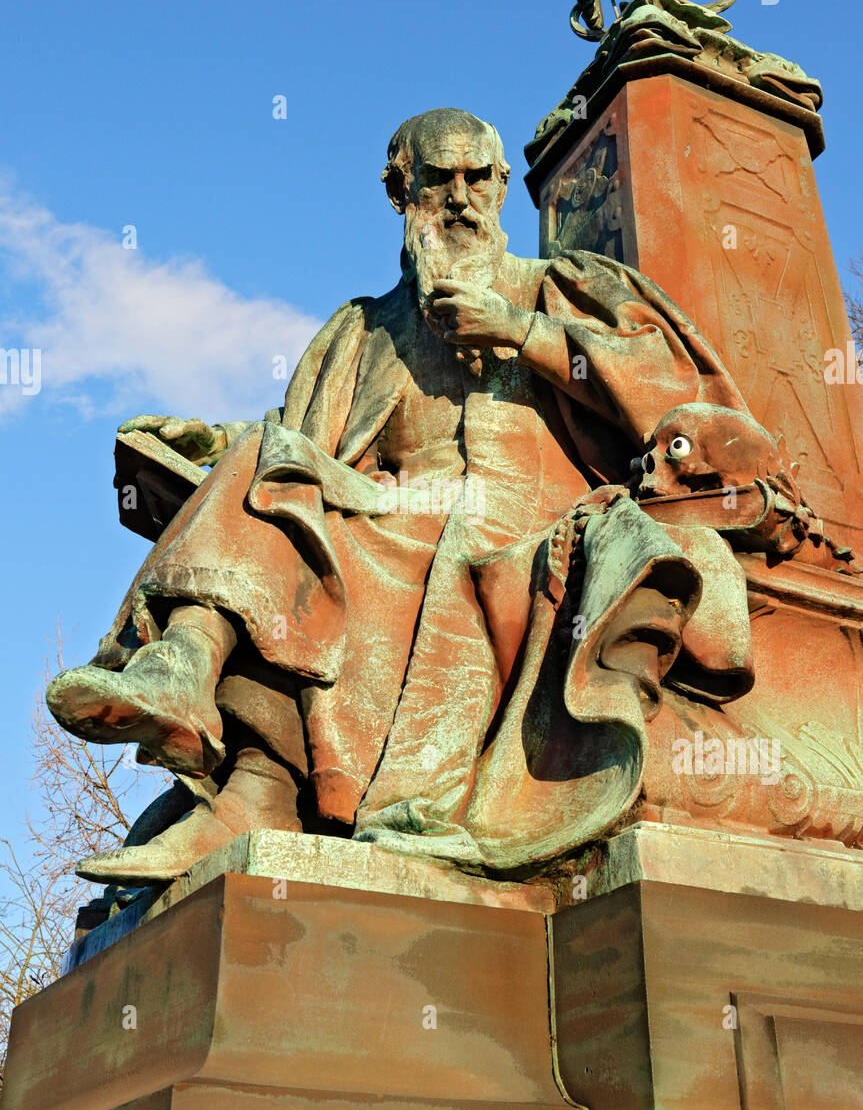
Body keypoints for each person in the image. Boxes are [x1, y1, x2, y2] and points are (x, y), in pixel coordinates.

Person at [48, 107, 761, 883]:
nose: (460, 199)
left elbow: (682, 405)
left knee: (363, 543)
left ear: (499, 188)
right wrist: (210, 443)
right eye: (438, 180)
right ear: (400, 190)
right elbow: (303, 443)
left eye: (478, 179)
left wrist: (522, 332)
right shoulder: (359, 328)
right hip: (387, 510)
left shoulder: (555, 287)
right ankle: (188, 682)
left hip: (524, 516)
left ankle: (257, 782)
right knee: (266, 466)